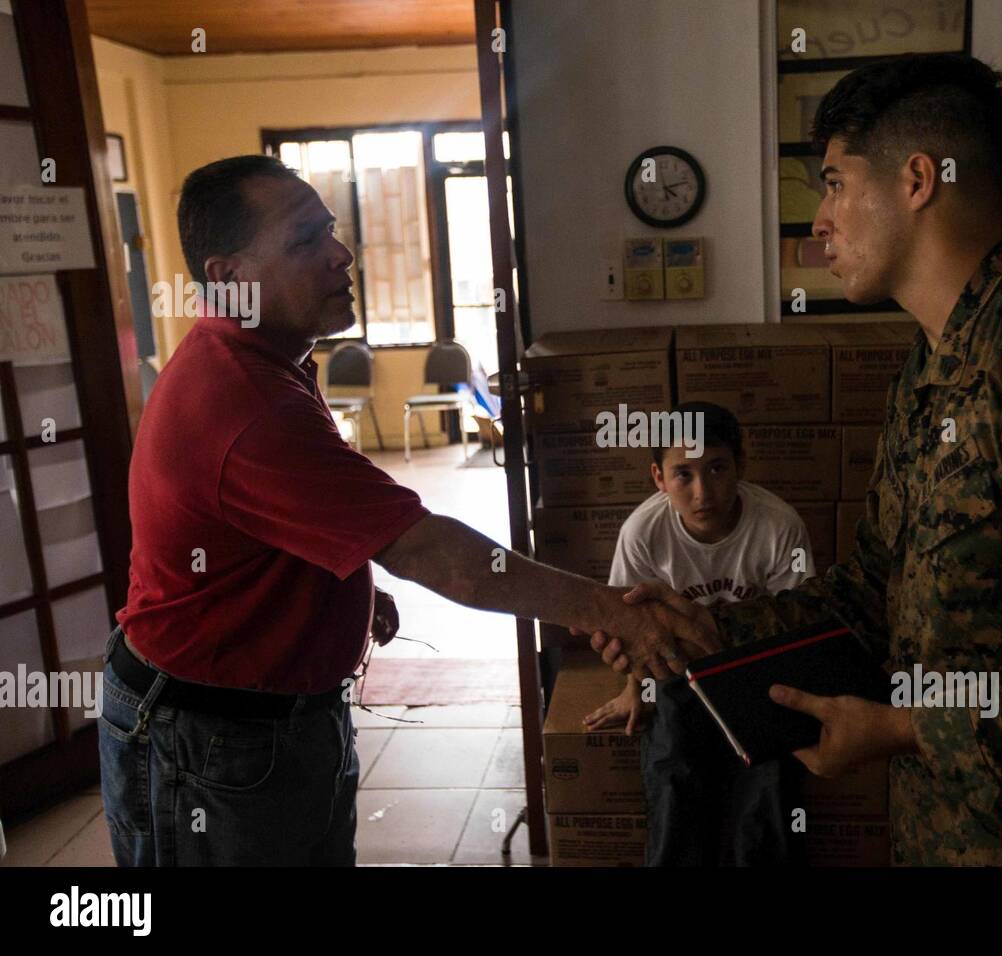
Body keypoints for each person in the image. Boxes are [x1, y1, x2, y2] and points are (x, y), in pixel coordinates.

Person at [589, 53, 1002, 865]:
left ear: (915, 180)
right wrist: (704, 628)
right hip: (947, 835)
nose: (820, 223)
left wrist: (904, 728)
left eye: (834, 183)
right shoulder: (932, 369)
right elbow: (875, 591)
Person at [100, 155, 716, 866]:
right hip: (207, 739)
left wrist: (341, 589)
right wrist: (615, 612)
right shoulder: (244, 402)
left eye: (330, 231)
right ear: (229, 276)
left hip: (275, 722)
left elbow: (285, 521)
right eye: (304, 242)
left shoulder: (271, 359)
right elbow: (436, 554)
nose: (341, 254)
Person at [582, 401, 814, 865]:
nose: (702, 491)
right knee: (672, 769)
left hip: (757, 673)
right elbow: (629, 629)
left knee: (769, 787)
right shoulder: (642, 533)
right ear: (658, 478)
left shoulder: (779, 526)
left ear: (740, 466)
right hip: (678, 673)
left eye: (717, 468)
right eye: (683, 474)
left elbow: (799, 623)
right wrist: (635, 688)